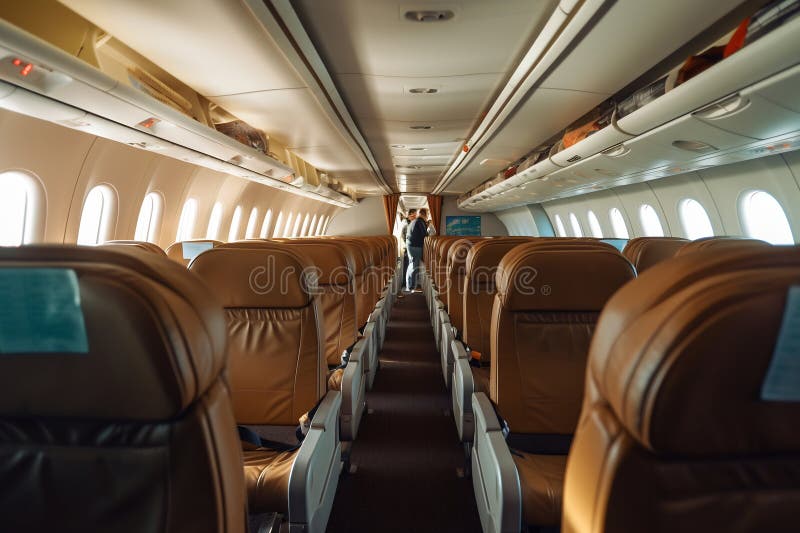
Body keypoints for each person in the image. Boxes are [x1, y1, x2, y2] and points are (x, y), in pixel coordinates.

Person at [405, 208, 428, 292]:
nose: (427, 217)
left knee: (411, 265)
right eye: (427, 215)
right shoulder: (420, 222)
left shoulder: (414, 221)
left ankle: (410, 285)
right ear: (424, 214)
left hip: (410, 245)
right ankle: (412, 287)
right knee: (415, 266)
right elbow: (425, 235)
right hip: (415, 246)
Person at [399, 209, 416, 291]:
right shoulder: (406, 226)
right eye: (412, 215)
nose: (414, 217)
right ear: (409, 216)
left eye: (415, 215)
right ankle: (407, 285)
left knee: (412, 267)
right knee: (408, 267)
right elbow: (403, 236)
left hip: (414, 248)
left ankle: (411, 284)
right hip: (409, 248)